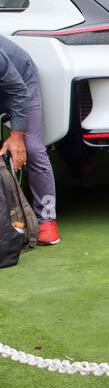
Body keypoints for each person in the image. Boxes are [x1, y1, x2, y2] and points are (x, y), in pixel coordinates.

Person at [0, 35, 57, 245]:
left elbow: (18, 91)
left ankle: (47, 220)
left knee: (32, 148)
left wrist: (16, 136)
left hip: (22, 85)